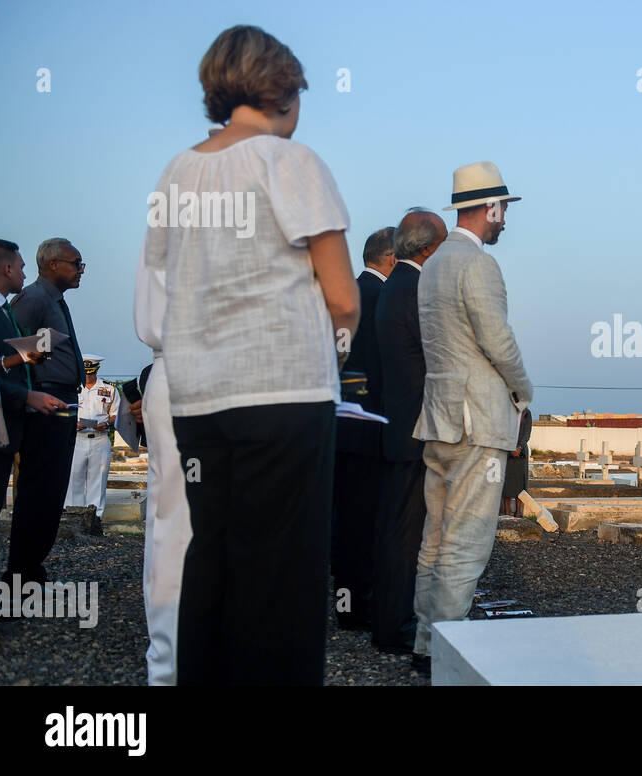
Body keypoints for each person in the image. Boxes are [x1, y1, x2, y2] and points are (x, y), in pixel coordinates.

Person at [149, 25, 359, 684]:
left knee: (211, 558)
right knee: (282, 576)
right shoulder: (289, 161)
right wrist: (339, 345)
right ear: (284, 91)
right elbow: (344, 296)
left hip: (198, 396)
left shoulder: (178, 169)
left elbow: (163, 279)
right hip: (284, 389)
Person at [412, 161, 531, 675]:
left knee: (434, 539)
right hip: (476, 423)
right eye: (503, 211)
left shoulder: (433, 263)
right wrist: (522, 388)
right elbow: (496, 339)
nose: (504, 221)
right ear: (492, 208)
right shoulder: (478, 265)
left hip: (437, 418)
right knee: (466, 544)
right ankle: (449, 657)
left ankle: (424, 642)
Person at [370, 208, 446, 654]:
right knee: (405, 534)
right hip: (414, 429)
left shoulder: (393, 286)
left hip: (397, 425)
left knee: (395, 529)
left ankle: (391, 620)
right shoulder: (415, 289)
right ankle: (396, 626)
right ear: (427, 248)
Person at [5, 237, 87, 584]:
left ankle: (31, 569)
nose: (81, 270)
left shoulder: (52, 299)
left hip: (62, 399)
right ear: (53, 264)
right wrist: (44, 351)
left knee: (53, 490)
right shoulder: (35, 298)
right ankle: (21, 575)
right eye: (75, 263)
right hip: (45, 401)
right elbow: (10, 351)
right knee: (41, 489)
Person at [331, 227, 395, 630]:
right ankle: (359, 607)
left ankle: (345, 604)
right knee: (365, 521)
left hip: (340, 424)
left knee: (344, 519)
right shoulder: (382, 298)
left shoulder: (347, 296)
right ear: (390, 257)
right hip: (371, 424)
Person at [134, 257, 190, 685]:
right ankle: (171, 662)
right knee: (175, 522)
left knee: (171, 520)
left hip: (185, 373)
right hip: (187, 373)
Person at [0, 240, 59, 527]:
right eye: (21, 268)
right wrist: (25, 396)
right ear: (6, 268)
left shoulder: (4, 310)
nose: (24, 274)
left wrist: (23, 355)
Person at [65, 355, 118, 513]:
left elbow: (116, 414)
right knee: (74, 480)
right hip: (77, 439)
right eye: (85, 373)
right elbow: (64, 411)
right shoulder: (72, 388)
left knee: (98, 481)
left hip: (99, 439)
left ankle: (95, 518)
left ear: (97, 370)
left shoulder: (109, 389)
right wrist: (73, 423)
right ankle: (73, 516)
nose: (88, 376)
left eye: (91, 373)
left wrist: (107, 423)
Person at [501, 408, 532, 517]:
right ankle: (507, 511)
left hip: (521, 451)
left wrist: (519, 447)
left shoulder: (526, 413)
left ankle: (518, 511)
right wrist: (510, 447)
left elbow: (527, 433)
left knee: (520, 482)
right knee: (507, 481)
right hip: (508, 450)